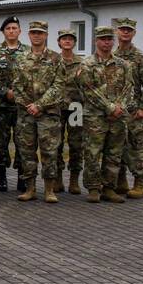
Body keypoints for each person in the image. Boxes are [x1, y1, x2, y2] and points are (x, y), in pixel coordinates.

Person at [79, 27, 134, 203]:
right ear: (96, 41)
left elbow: (128, 88)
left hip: (118, 117)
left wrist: (120, 107)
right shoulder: (87, 64)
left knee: (114, 153)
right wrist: (109, 108)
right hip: (95, 117)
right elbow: (89, 90)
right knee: (93, 153)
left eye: (109, 39)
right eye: (103, 39)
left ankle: (109, 188)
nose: (106, 43)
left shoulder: (123, 64)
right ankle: (94, 188)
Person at [13, 20, 64, 203]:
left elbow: (58, 87)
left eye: (40, 33)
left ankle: (49, 190)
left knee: (50, 152)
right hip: (26, 114)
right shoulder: (21, 59)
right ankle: (30, 188)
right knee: (27, 152)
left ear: (46, 35)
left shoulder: (56, 59)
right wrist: (29, 105)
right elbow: (16, 86)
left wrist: (40, 105)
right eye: (33, 32)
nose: (36, 35)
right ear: (29, 35)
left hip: (48, 115)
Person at [114, 18, 143, 199]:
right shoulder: (111, 56)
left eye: (129, 30)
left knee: (136, 147)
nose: (125, 33)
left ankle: (139, 184)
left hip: (134, 111)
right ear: (117, 32)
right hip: (117, 111)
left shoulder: (141, 58)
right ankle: (120, 181)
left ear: (134, 33)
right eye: (122, 29)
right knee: (117, 146)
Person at [0, 16, 27, 192]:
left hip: (21, 106)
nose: (11, 31)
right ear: (3, 32)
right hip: (0, 106)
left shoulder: (28, 51)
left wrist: (17, 93)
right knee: (0, 142)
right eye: (8, 28)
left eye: (14, 28)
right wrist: (5, 91)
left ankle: (22, 179)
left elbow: (31, 77)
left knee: (22, 142)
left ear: (20, 31)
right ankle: (2, 179)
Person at [56, 28, 85, 195]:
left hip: (76, 108)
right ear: (59, 42)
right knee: (56, 144)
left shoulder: (82, 63)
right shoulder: (53, 61)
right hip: (57, 108)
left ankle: (74, 180)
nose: (67, 41)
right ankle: (58, 179)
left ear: (74, 42)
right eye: (64, 38)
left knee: (76, 145)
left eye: (70, 39)